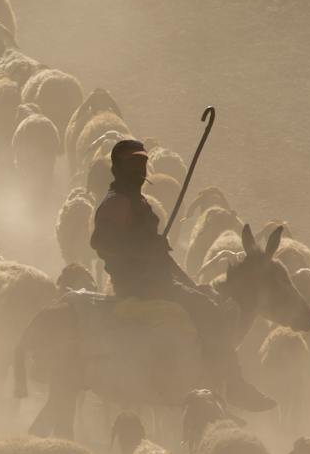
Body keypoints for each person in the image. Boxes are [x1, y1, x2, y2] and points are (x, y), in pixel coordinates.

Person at [89, 138, 274, 411]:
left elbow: (160, 256)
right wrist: (141, 248)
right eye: (135, 164)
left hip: (155, 279)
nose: (141, 170)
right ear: (119, 168)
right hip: (139, 284)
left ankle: (211, 375)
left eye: (143, 163)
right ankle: (233, 384)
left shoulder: (135, 201)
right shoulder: (117, 203)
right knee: (211, 311)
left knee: (209, 297)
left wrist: (187, 282)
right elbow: (100, 243)